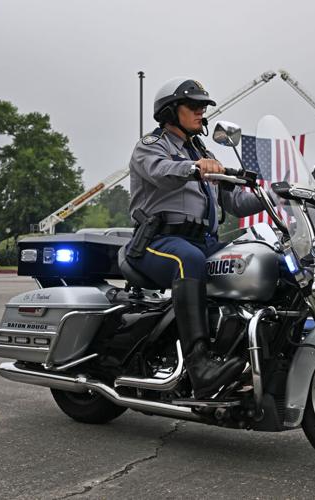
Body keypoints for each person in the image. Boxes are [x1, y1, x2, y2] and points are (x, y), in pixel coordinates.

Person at [123, 78, 263, 398]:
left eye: (204, 107)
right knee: (190, 260)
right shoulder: (152, 145)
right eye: (194, 106)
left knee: (251, 254)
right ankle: (199, 365)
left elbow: (236, 202)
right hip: (157, 242)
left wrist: (275, 192)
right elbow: (160, 171)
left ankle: (243, 348)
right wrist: (194, 168)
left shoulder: (203, 152)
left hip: (203, 239)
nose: (202, 112)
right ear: (172, 111)